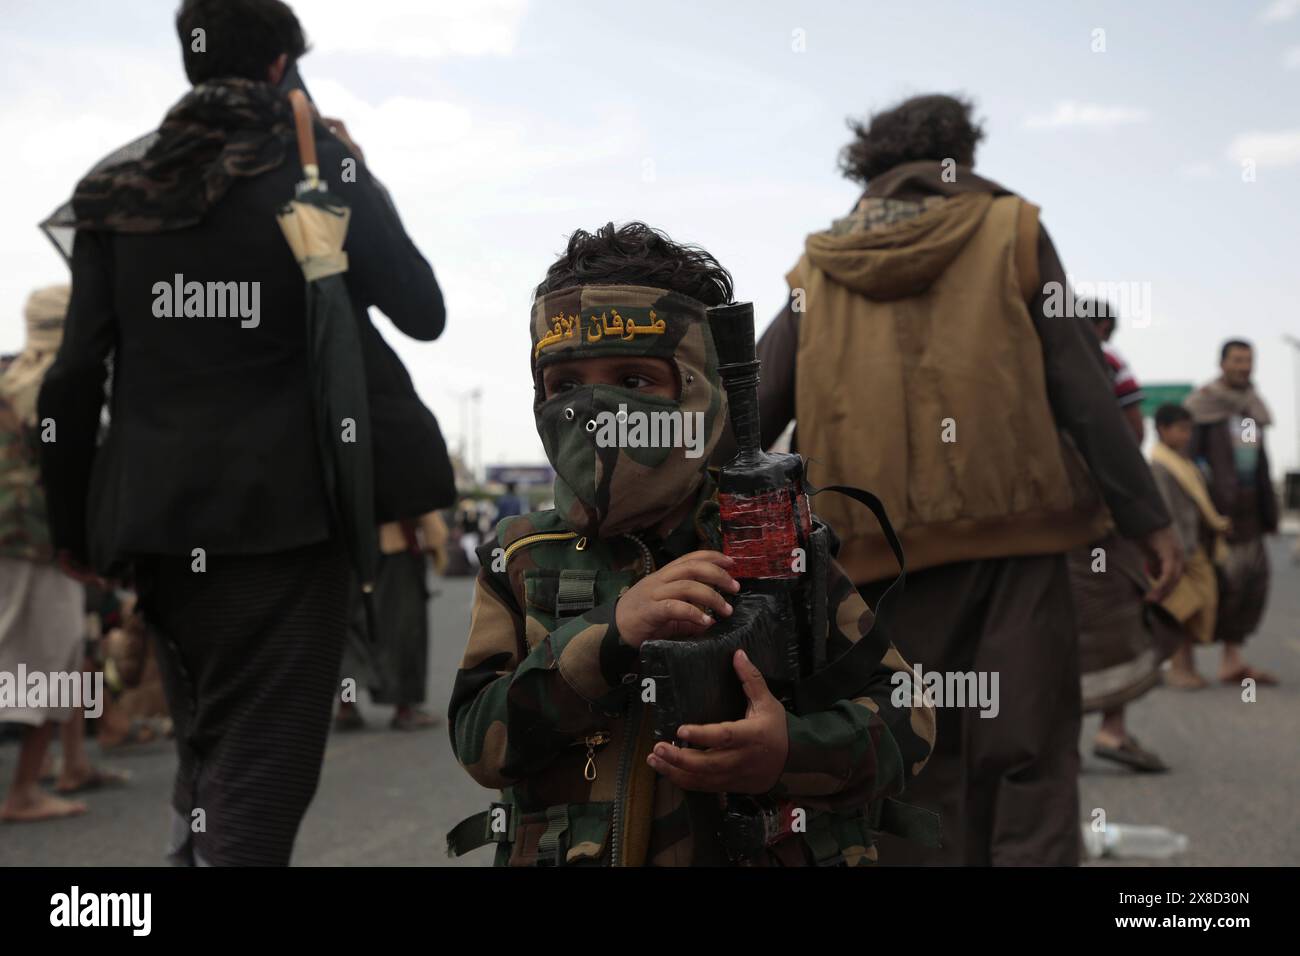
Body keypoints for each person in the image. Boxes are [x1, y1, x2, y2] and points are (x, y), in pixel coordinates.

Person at [37, 0, 444, 864]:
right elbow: (422, 309)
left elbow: (74, 379)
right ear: (278, 68)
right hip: (286, 525)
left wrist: (73, 530)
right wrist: (356, 176)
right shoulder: (312, 170)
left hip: (154, 526)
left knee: (211, 766)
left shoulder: (116, 191)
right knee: (258, 783)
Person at [743, 94, 1181, 865]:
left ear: (868, 166)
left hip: (872, 562)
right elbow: (1079, 382)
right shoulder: (1010, 229)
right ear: (961, 157)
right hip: (1020, 540)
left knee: (909, 762)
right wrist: (1146, 516)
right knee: (1029, 756)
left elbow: (758, 404)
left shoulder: (819, 266)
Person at [447, 222, 935, 866]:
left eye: (636, 380)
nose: (598, 409)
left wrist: (790, 750)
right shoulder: (521, 554)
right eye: (565, 386)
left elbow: (910, 716)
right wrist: (607, 637)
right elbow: (480, 742)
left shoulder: (765, 538)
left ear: (699, 389)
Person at [1, 286, 124, 822]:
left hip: (30, 544)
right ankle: (24, 789)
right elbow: (73, 479)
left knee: (65, 655)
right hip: (37, 544)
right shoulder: (56, 387)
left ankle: (72, 761)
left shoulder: (10, 379)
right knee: (46, 659)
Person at [1066, 300, 1178, 773]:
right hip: (1098, 511)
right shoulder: (1107, 363)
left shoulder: (1027, 358)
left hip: (1035, 517)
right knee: (1122, 609)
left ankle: (1059, 742)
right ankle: (1111, 730)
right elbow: (1128, 435)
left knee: (1046, 620)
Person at [1184, 340, 1279, 685]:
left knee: (1253, 581)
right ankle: (1183, 662)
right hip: (1216, 513)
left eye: (1248, 360)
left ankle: (1232, 660)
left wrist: (1269, 509)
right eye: (1237, 360)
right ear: (1221, 363)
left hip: (1251, 508)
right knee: (1215, 584)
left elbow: (1257, 461)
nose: (1243, 367)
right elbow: (1189, 462)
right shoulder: (1202, 406)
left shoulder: (1251, 407)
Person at [336, 511, 448, 732]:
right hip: (393, 547)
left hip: (346, 547)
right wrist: (435, 537)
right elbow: (417, 498)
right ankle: (404, 709)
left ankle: (346, 705)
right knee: (401, 630)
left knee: (350, 633)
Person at [1149, 404, 1231, 688]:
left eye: (1189, 429)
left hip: (1194, 547)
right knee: (1183, 609)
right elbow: (1166, 514)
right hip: (1179, 550)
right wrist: (1176, 552)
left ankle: (1186, 667)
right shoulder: (1160, 467)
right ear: (1162, 430)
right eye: (1181, 429)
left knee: (1198, 608)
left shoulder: (1184, 464)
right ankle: (1177, 668)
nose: (1186, 435)